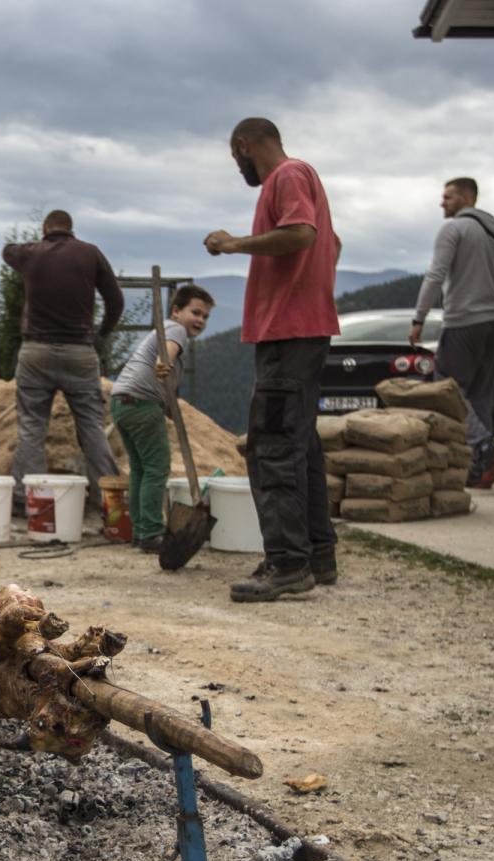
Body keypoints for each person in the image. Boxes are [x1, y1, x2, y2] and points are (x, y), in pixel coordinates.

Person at [204, 118, 341, 602]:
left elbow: (301, 234)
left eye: (236, 156)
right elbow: (331, 243)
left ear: (244, 145)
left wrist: (236, 243)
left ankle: (287, 564)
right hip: (306, 328)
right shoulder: (304, 178)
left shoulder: (285, 176)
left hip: (288, 331)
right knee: (300, 444)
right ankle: (318, 554)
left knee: (272, 446)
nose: (239, 164)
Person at [2, 210, 126, 508]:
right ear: (72, 229)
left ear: (46, 228)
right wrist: (101, 334)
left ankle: (27, 500)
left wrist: (40, 246)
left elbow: (8, 252)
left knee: (32, 426)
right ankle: (108, 500)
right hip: (80, 352)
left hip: (36, 352)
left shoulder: (31, 253)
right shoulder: (90, 254)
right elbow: (116, 301)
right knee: (91, 426)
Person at [410, 177, 494, 489]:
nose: (442, 203)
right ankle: (481, 470)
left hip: (462, 321)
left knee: (447, 387)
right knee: (480, 394)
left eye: (447, 197)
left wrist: (419, 317)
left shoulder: (454, 229)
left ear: (466, 198)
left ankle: (484, 445)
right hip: (493, 325)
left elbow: (436, 274)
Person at [109, 284, 214, 553]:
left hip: (122, 401)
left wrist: (167, 404)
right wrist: (161, 362)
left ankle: (140, 531)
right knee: (156, 468)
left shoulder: (165, 328)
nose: (200, 320)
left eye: (205, 316)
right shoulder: (175, 329)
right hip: (142, 404)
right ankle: (152, 534)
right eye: (196, 312)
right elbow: (166, 354)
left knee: (140, 469)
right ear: (176, 311)